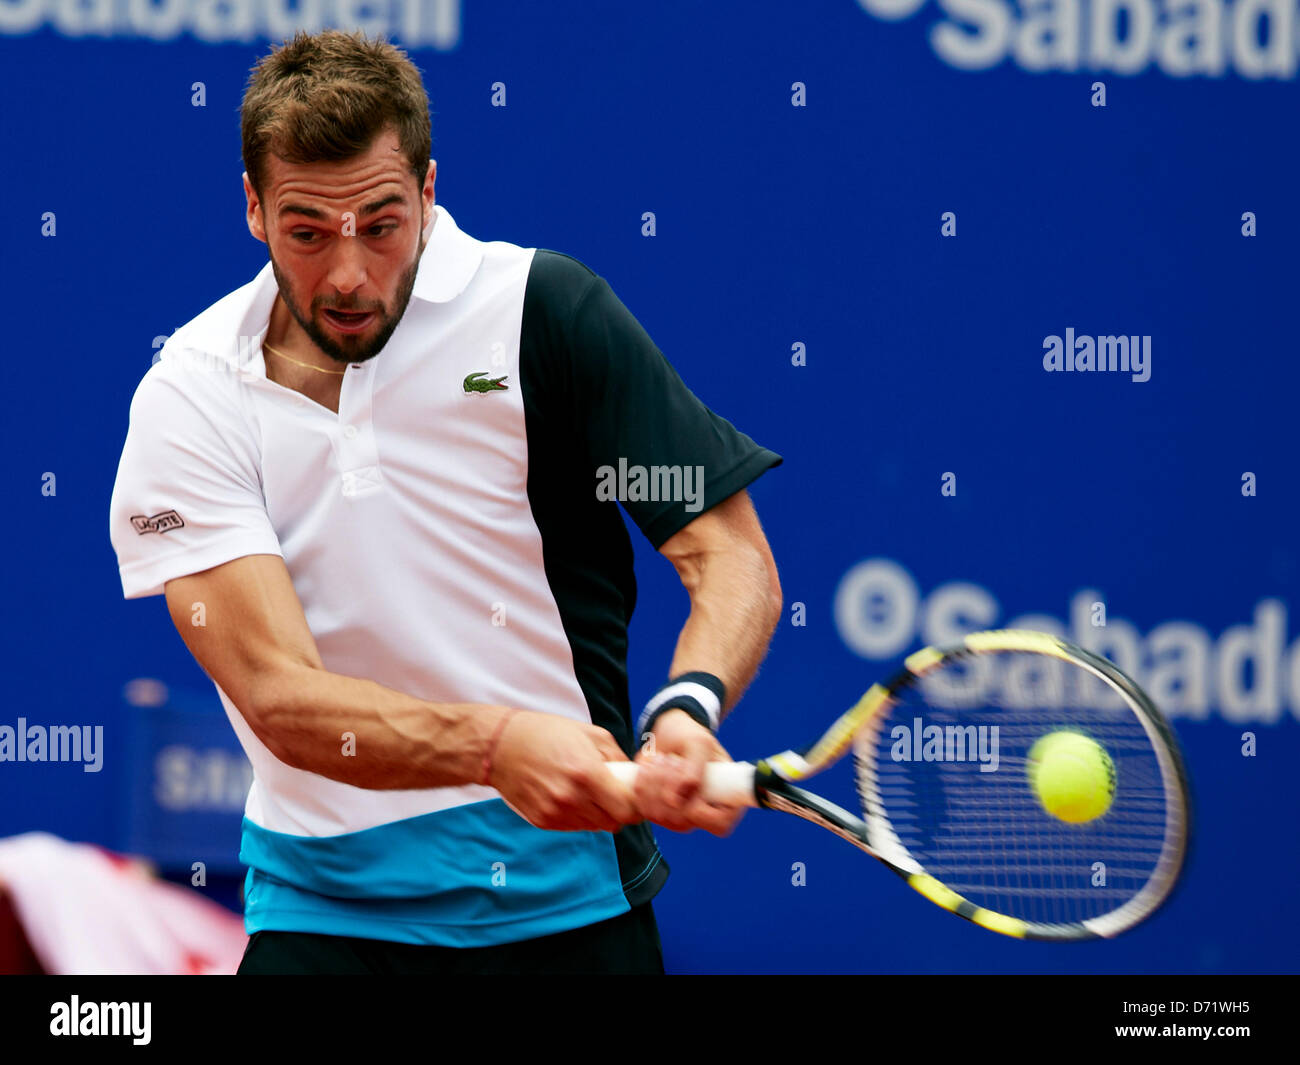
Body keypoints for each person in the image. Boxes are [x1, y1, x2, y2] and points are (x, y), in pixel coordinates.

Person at [109, 29, 782, 975]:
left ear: (429, 192)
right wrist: (495, 744)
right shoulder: (191, 391)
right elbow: (279, 695)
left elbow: (729, 558)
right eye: (307, 231)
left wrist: (688, 705)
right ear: (255, 211)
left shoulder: (544, 312)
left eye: (381, 224)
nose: (347, 273)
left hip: (570, 916)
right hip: (322, 921)